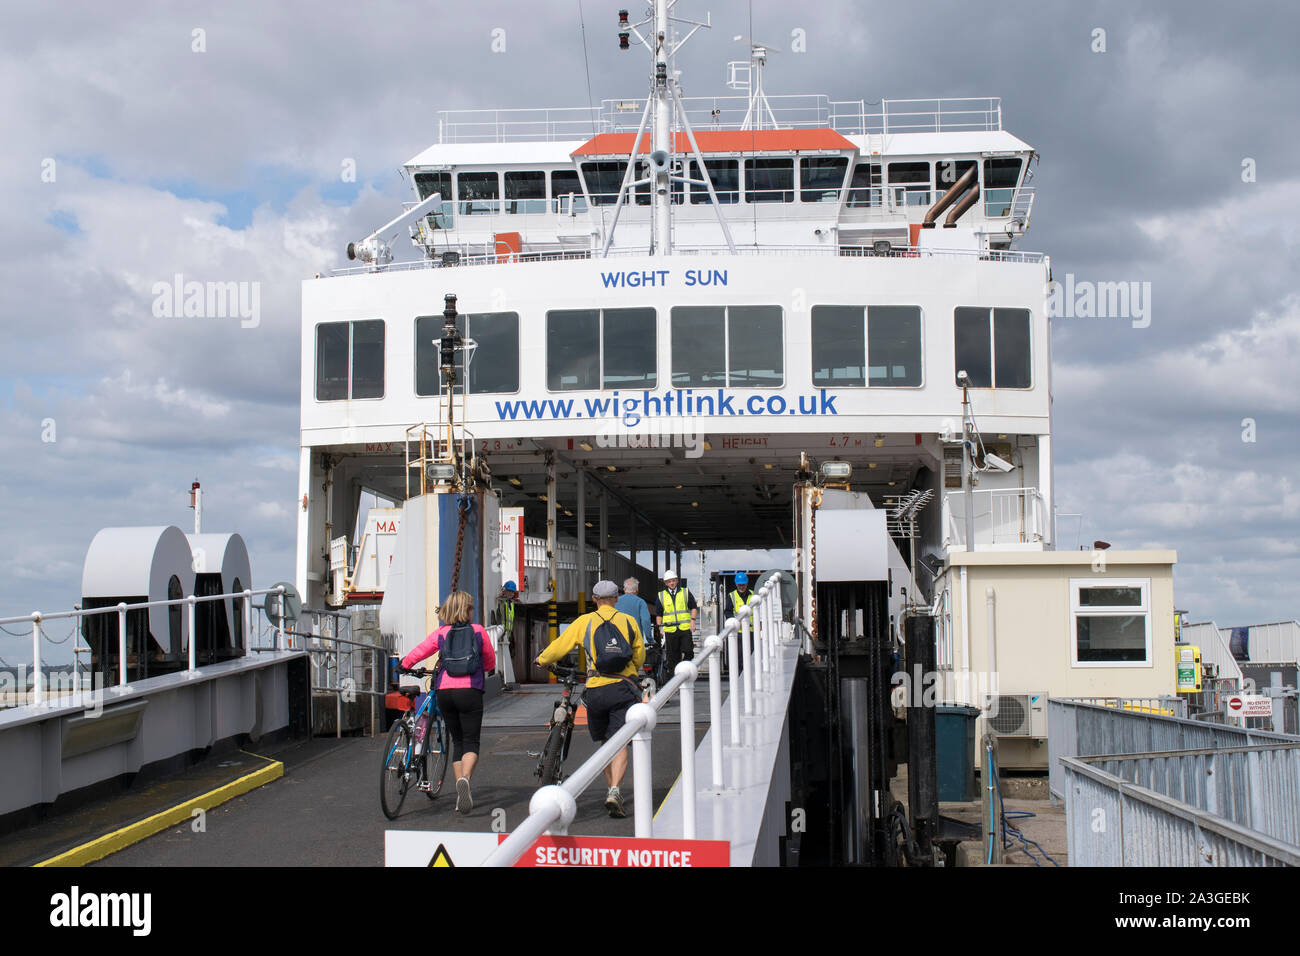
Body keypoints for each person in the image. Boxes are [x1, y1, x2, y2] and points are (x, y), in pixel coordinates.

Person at [535, 580, 644, 818]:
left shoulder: (585, 621)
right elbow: (639, 655)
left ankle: (610, 788)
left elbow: (560, 646)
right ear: (617, 598)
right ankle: (615, 790)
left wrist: (542, 659)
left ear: (594, 599)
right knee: (620, 742)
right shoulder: (628, 621)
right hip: (622, 688)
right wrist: (630, 671)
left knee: (606, 742)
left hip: (596, 689)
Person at [400, 590, 495, 815]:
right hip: (470, 691)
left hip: (444, 691)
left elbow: (420, 651)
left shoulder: (441, 633)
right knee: (471, 742)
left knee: (457, 741)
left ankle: (459, 792)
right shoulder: (479, 631)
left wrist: (404, 664)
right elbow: (490, 662)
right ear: (468, 610)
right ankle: (465, 780)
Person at [655, 568, 698, 674]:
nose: (672, 583)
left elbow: (693, 607)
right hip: (670, 630)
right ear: (665, 583)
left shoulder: (685, 592)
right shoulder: (661, 595)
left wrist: (692, 621)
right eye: (669, 581)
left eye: (673, 580)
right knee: (672, 656)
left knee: (688, 651)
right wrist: (659, 628)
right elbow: (659, 614)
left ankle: (685, 669)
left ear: (677, 580)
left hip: (684, 628)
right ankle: (674, 679)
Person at [727, 572, 756, 674]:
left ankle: (751, 677)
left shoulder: (753, 595)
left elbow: (759, 611)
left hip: (751, 631)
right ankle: (740, 678)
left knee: (752, 656)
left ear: (747, 584)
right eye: (739, 585)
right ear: (736, 584)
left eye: (743, 584)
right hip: (738, 632)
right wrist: (735, 622)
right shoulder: (732, 596)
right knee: (739, 658)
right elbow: (728, 612)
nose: (741, 587)